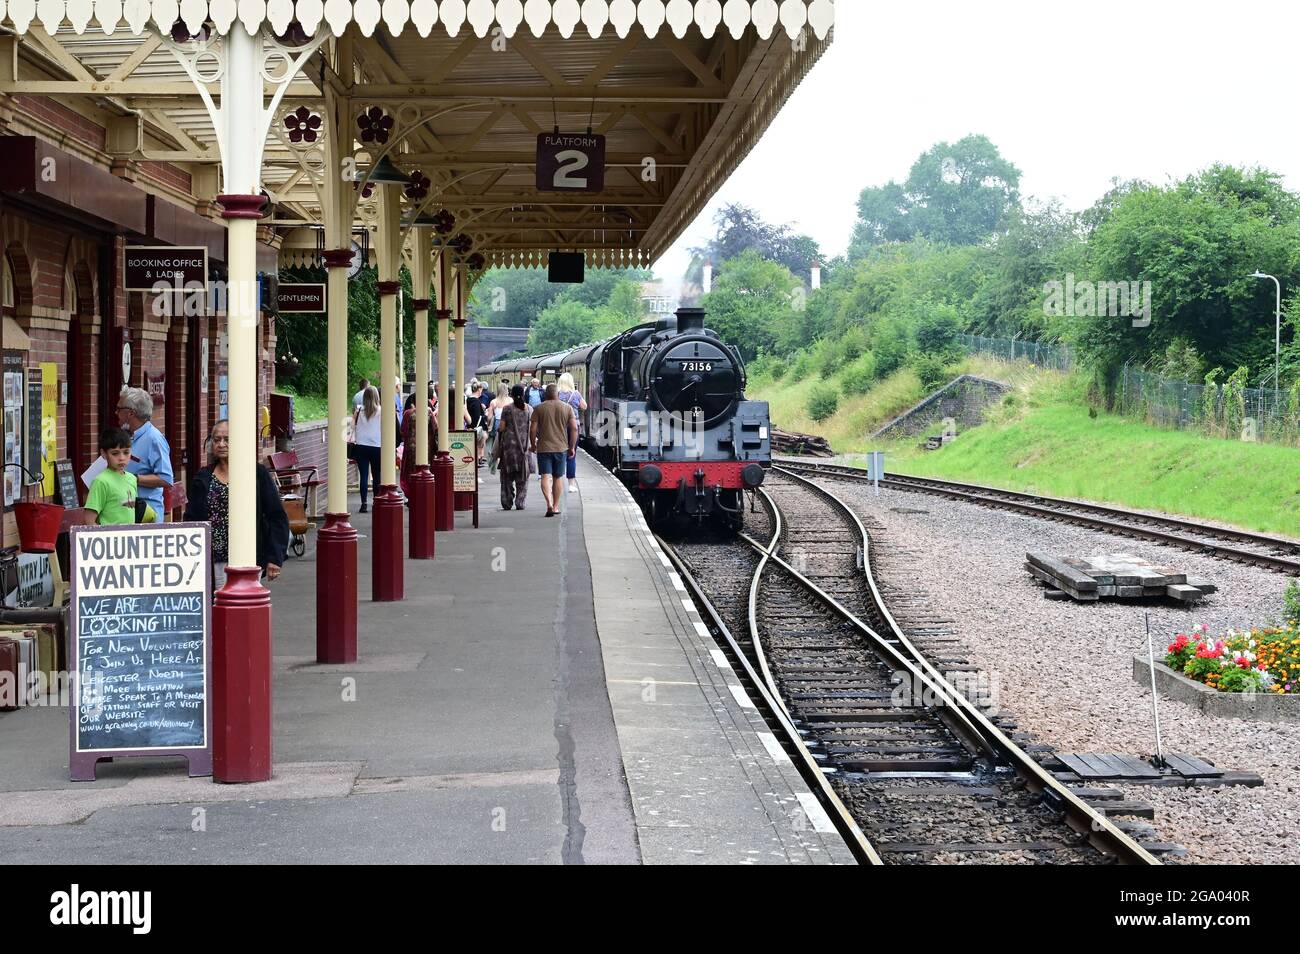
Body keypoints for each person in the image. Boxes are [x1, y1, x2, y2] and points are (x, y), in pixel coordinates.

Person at [184, 419, 289, 590]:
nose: (221, 444)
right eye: (216, 440)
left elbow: (276, 516)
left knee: (244, 606)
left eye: (227, 439)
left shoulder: (256, 473)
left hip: (248, 556)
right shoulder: (203, 477)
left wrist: (275, 557)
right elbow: (191, 518)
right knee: (219, 605)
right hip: (214, 558)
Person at [117, 386, 173, 523]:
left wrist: (134, 478)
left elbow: (166, 479)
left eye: (119, 409)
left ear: (131, 413)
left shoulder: (154, 439)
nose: (115, 412)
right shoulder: (126, 436)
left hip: (147, 516)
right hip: (125, 513)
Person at [85, 427, 155, 525]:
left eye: (126, 452)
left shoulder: (132, 479)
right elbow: (89, 520)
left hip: (129, 538)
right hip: (109, 539)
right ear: (103, 454)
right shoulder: (101, 481)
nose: (121, 458)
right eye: (115, 453)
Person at [529, 383, 578, 517]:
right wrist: (572, 447)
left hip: (544, 447)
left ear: (546, 394)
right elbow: (574, 428)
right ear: (558, 394)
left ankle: (548, 503)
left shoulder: (538, 408)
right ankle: (555, 506)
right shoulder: (567, 408)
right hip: (561, 448)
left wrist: (533, 445)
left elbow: (532, 429)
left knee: (545, 475)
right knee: (558, 477)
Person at [494, 385, 533, 510]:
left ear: (511, 394)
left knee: (506, 478)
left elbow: (502, 427)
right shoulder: (529, 409)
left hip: (509, 449)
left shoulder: (507, 409)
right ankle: (520, 502)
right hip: (524, 448)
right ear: (523, 395)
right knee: (523, 477)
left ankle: (507, 502)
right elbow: (532, 428)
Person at [399, 388, 437, 498]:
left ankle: (412, 494)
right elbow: (435, 428)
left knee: (410, 471)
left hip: (410, 447)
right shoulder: (429, 412)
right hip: (427, 447)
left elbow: (402, 430)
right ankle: (424, 493)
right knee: (425, 470)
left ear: (413, 402)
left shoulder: (407, 413)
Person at [352, 385, 383, 513]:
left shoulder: (358, 410)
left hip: (361, 446)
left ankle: (364, 503)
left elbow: (352, 426)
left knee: (364, 475)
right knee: (376, 475)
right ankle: (376, 501)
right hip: (376, 446)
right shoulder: (381, 411)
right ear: (377, 397)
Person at [556, 372, 587, 493]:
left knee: (559, 453)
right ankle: (571, 484)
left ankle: (558, 481)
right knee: (571, 455)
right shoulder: (576, 394)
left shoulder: (557, 394)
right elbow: (584, 406)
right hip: (574, 426)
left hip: (560, 426)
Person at [466, 382, 487, 465]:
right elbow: (477, 416)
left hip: (471, 425)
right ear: (479, 389)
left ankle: (479, 458)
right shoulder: (476, 401)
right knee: (479, 444)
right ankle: (478, 459)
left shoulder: (468, 400)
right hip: (477, 426)